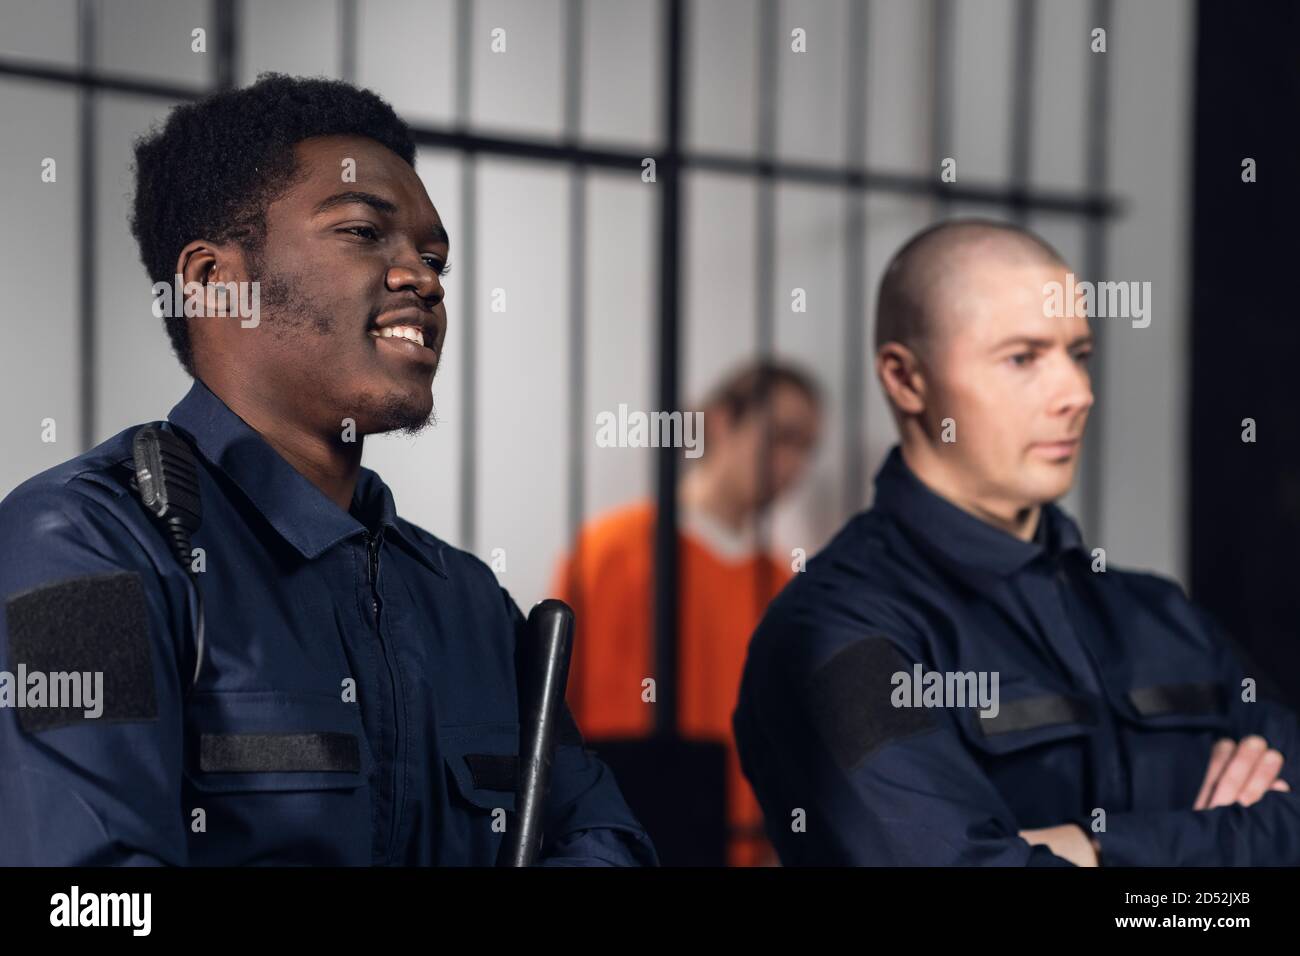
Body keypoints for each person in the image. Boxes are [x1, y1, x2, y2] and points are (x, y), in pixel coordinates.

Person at [0, 74, 655, 866]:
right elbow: (93, 899)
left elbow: (604, 835)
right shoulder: (80, 547)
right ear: (214, 282)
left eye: (434, 255)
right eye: (361, 232)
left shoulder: (470, 601)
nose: (424, 277)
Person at [733, 219, 1300, 866]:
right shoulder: (838, 633)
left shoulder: (1160, 615)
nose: (1078, 394)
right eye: (1022, 358)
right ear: (907, 379)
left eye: (1079, 354)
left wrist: (1090, 849)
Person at [553, 361, 822, 865]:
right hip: (613, 836)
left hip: (738, 842)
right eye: (782, 437)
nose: (792, 465)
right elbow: (560, 708)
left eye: (806, 447)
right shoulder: (614, 551)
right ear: (722, 421)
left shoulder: (781, 583)